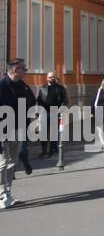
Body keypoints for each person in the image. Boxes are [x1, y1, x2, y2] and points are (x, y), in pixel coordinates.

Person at [0, 61, 29, 208]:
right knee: (2, 163)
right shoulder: (2, 85)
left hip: (17, 129)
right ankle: (1, 195)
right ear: (15, 70)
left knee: (12, 161)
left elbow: (30, 102)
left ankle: (8, 192)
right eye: (24, 68)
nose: (26, 70)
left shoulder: (22, 85)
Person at [36, 72, 69, 157]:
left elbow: (65, 100)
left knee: (54, 132)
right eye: (50, 77)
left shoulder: (60, 88)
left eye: (53, 77)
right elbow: (38, 101)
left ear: (55, 78)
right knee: (43, 132)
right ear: (47, 78)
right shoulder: (42, 88)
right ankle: (44, 150)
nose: (51, 79)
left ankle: (52, 150)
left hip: (55, 111)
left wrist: (61, 109)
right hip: (44, 112)